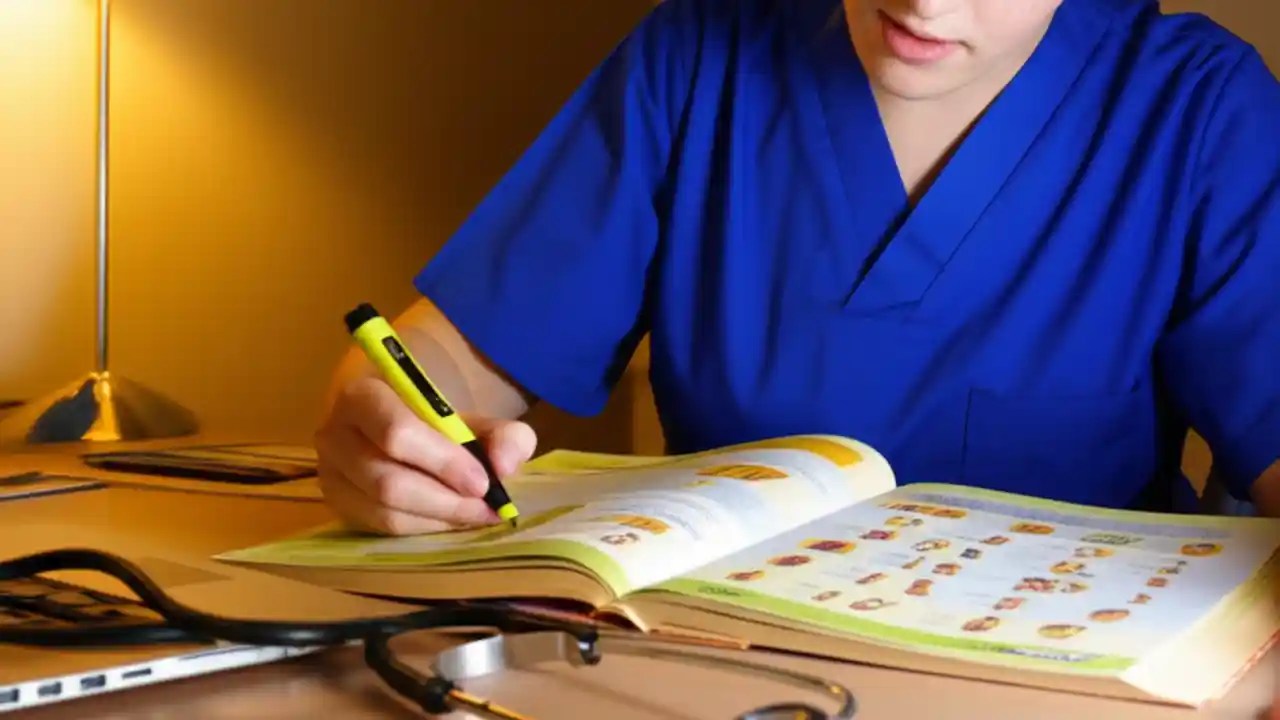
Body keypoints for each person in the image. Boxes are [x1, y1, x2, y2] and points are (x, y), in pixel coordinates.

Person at [313, 0, 1280, 538]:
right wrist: (385, 432)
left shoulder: (1197, 109)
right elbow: (443, 359)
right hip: (702, 668)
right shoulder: (697, 56)